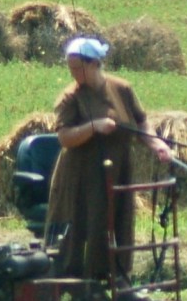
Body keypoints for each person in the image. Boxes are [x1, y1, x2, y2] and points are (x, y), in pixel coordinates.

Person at [45, 36, 175, 280]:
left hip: (119, 170)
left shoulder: (122, 88)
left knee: (119, 221)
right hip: (82, 176)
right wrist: (93, 126)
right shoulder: (70, 97)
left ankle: (118, 277)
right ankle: (82, 280)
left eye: (78, 68)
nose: (74, 73)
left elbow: (141, 122)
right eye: (70, 68)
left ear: (94, 64)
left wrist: (156, 144)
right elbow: (64, 137)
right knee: (89, 225)